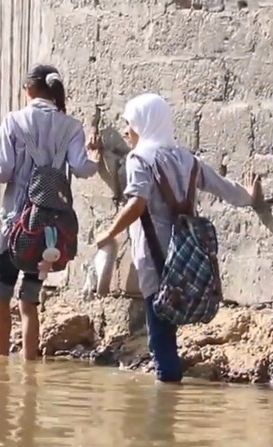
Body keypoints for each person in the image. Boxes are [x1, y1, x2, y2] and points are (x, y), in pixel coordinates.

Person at [94, 93, 262, 382]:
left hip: (156, 254)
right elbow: (222, 187)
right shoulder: (187, 159)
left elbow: (137, 203)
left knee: (159, 333)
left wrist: (109, 232)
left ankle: (166, 405)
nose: (125, 131)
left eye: (128, 123)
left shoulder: (139, 159)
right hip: (187, 253)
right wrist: (248, 196)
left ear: (143, 124)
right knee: (167, 325)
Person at [0, 64, 101, 361]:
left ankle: (1, 369)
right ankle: (29, 369)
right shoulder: (72, 126)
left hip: (16, 224)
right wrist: (97, 158)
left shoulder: (14, 121)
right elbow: (81, 168)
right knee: (29, 301)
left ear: (28, 88)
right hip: (49, 231)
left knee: (1, 295)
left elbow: (3, 170)